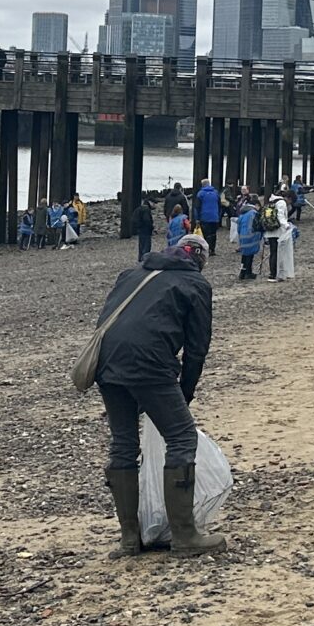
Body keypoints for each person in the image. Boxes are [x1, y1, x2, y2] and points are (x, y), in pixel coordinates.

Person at [91, 232, 224, 556]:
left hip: (106, 361)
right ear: (200, 262)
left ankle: (129, 539)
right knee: (181, 439)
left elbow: (108, 318)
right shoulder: (195, 285)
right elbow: (196, 351)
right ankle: (184, 535)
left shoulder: (132, 274)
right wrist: (185, 393)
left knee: (123, 443)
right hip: (149, 363)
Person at [233, 196, 264, 281]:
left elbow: (238, 227)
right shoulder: (254, 213)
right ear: (256, 205)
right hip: (252, 236)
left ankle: (242, 272)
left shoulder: (243, 214)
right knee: (250, 255)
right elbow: (257, 225)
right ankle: (248, 273)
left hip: (243, 236)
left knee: (244, 255)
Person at [195, 178, 224, 255]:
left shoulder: (200, 194)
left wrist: (197, 218)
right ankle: (212, 249)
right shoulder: (216, 193)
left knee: (205, 234)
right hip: (214, 217)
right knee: (213, 234)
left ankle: (206, 249)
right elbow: (219, 205)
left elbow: (197, 207)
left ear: (202, 185)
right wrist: (219, 215)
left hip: (204, 217)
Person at [130, 192, 160, 262]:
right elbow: (147, 220)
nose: (155, 205)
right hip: (145, 230)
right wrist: (152, 228)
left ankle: (141, 259)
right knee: (146, 246)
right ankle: (145, 260)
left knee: (141, 245)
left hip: (140, 229)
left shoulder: (141, 208)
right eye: (154, 203)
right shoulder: (146, 209)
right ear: (150, 202)